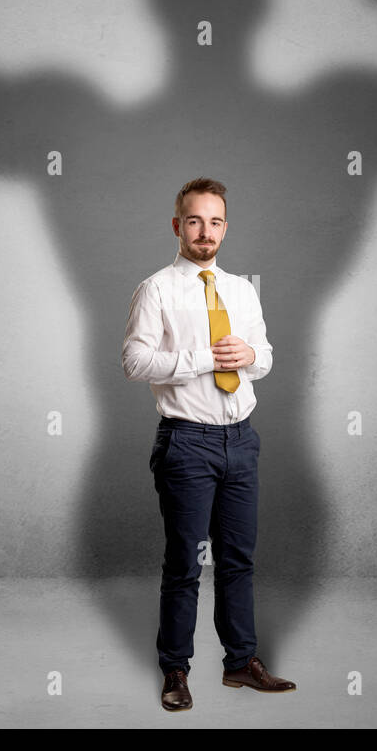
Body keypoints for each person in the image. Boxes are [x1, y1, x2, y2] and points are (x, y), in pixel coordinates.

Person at [122, 177, 297, 711]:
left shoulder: (241, 290)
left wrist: (250, 355)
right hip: (187, 443)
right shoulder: (156, 289)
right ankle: (175, 670)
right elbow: (134, 362)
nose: (205, 232)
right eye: (195, 221)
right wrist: (204, 359)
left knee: (238, 560)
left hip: (241, 441)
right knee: (184, 565)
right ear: (178, 226)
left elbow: (264, 357)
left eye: (215, 221)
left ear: (225, 227)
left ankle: (241, 662)